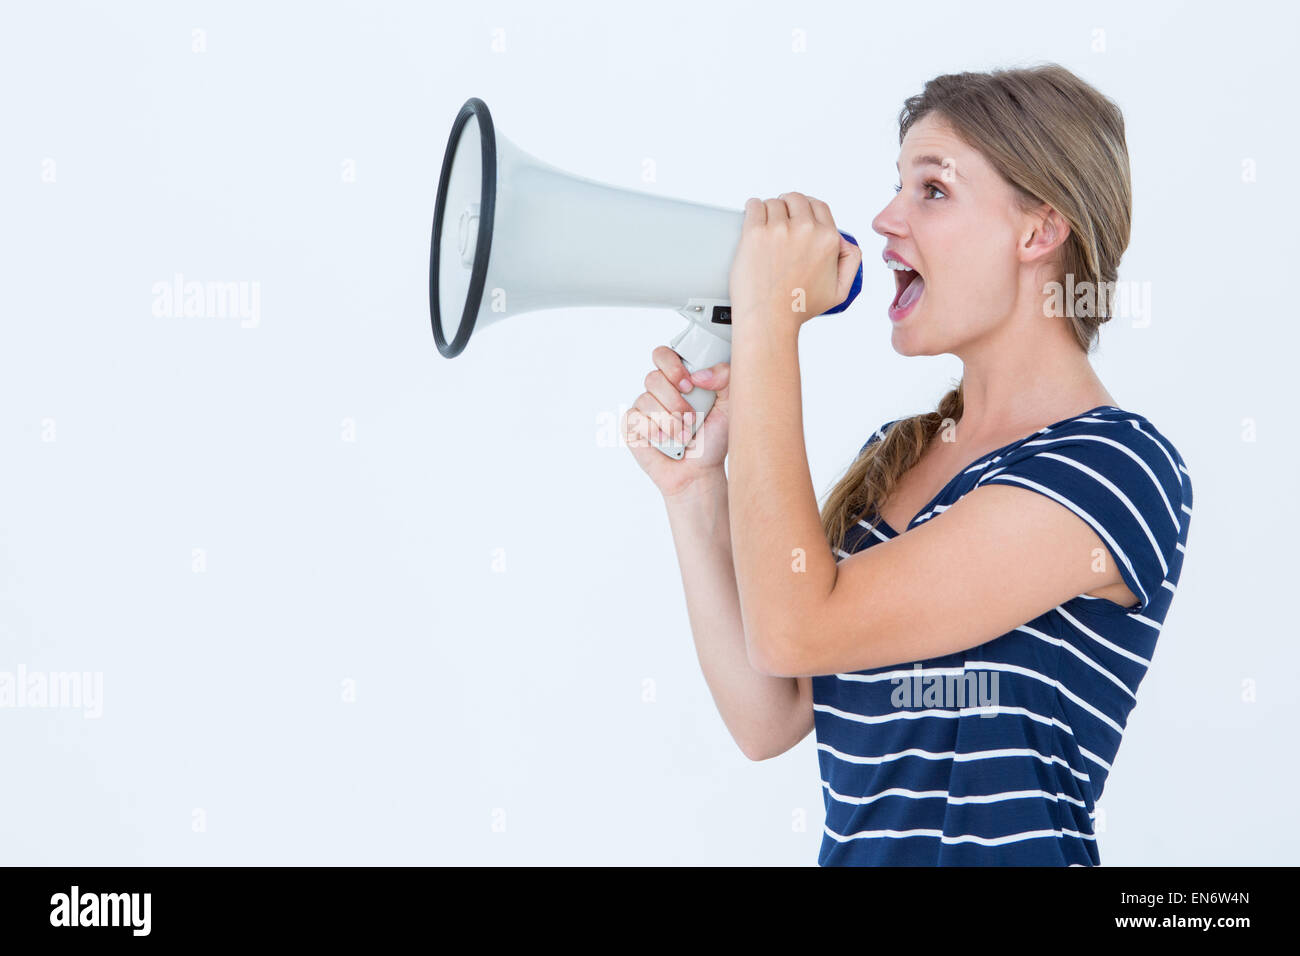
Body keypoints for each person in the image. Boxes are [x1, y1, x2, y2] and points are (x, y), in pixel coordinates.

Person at [622, 63, 1192, 866]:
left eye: (932, 190)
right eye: (898, 186)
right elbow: (768, 715)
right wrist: (694, 490)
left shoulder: (1113, 469)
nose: (886, 218)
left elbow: (795, 628)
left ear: (1038, 230)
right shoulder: (898, 458)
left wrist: (769, 320)